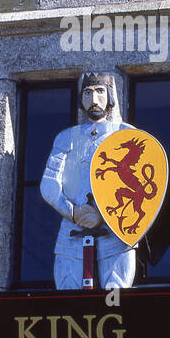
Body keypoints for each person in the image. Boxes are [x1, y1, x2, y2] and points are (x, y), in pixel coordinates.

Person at [40, 71, 136, 290]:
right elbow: (49, 183)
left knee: (118, 297)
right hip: (72, 229)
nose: (93, 100)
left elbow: (138, 183)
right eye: (88, 93)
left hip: (117, 229)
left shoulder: (125, 133)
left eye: (100, 92)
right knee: (69, 296)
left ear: (111, 96)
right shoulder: (66, 137)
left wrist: (104, 215)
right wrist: (73, 212)